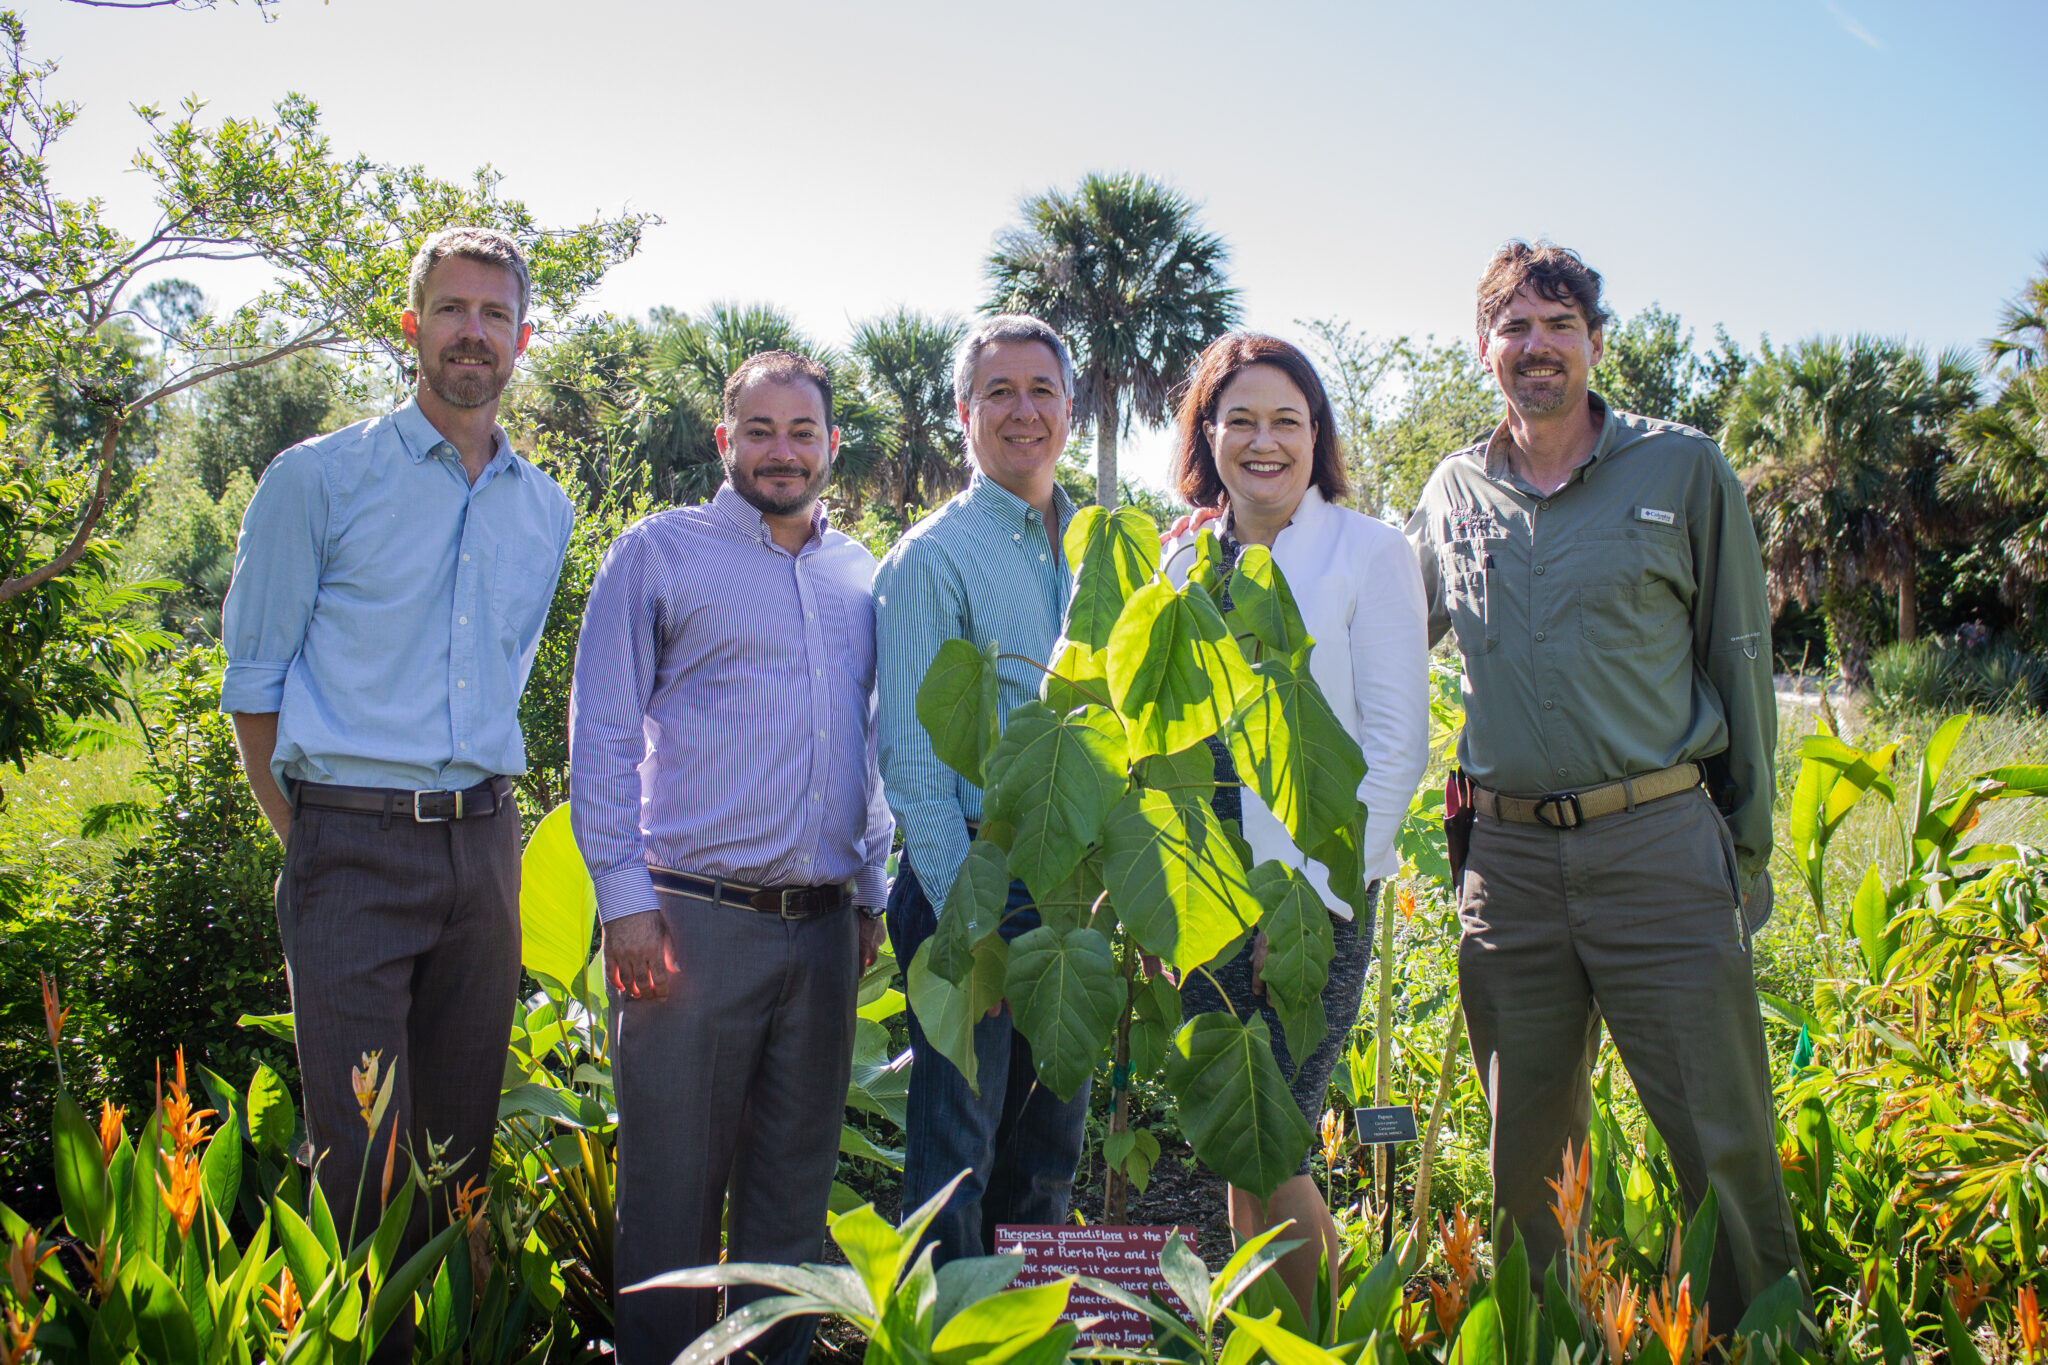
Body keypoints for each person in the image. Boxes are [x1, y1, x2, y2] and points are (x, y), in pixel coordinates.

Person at [1405, 241, 1803, 1329]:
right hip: (1509, 867)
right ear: (1484, 346)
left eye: (1557, 324)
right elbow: (1380, 639)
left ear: (1591, 340)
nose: (1535, 346)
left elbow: (1740, 665)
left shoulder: (1681, 470)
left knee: (1717, 1132)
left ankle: (1760, 1340)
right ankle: (1564, 1339)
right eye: (1513, 327)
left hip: (1657, 844)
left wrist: (1743, 851)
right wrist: (1233, 549)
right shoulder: (1451, 491)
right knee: (1527, 1146)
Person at [222, 228, 574, 1358]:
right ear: (410, 323)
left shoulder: (543, 509)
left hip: (484, 850)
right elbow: (253, 687)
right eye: (451, 308)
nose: (473, 331)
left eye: (494, 313)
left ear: (521, 336)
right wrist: (316, 839)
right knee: (364, 1151)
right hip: (349, 847)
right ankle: (363, 1342)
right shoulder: (317, 480)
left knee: (457, 1145)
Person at [569, 350, 892, 1365]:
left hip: (824, 927)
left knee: (789, 1196)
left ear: (831, 446)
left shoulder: (860, 575)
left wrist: (872, 890)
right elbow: (602, 733)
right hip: (686, 924)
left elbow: (872, 745)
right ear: (725, 441)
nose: (781, 451)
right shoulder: (658, 555)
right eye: (759, 431)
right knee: (669, 1195)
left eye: (802, 433)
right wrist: (623, 899)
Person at [1160, 333, 1429, 1314]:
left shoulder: (1367, 552)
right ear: (1209, 433)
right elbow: (1160, 733)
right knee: (1242, 1150)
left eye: (1286, 420)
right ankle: (1309, 1334)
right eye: (1241, 420)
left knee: (1266, 1146)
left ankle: (1323, 1335)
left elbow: (1398, 746)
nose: (1262, 441)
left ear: (1316, 436)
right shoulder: (1183, 554)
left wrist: (1310, 904)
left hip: (1301, 904)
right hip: (1202, 899)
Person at [874, 314, 1088, 1264]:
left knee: (1048, 1151)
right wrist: (973, 927)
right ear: (964, 412)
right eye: (998, 391)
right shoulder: (932, 556)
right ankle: (944, 1337)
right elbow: (915, 772)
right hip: (969, 876)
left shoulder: (1099, 547)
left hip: (1071, 891)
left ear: (1071, 410)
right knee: (959, 1150)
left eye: (1041, 390)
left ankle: (1025, 1333)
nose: (1023, 411)